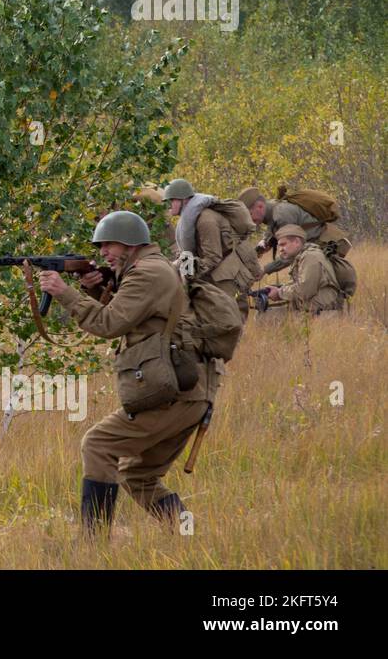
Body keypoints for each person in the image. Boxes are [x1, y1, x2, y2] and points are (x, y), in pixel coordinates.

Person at [38, 210, 212, 534]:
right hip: (187, 393)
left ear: (130, 243)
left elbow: (110, 323)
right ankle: (191, 535)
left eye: (109, 245)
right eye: (100, 246)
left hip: (175, 394)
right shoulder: (149, 269)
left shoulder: (147, 274)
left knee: (98, 445)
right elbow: (131, 315)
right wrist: (98, 287)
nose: (102, 252)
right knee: (139, 476)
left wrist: (66, 293)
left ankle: (95, 545)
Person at [163, 178, 262, 320]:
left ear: (183, 200)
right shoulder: (192, 218)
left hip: (227, 278)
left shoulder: (205, 220)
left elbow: (213, 257)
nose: (168, 205)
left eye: (171, 200)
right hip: (220, 275)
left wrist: (191, 272)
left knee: (230, 321)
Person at [263, 224, 345, 315]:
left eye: (283, 244)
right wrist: (280, 288)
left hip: (323, 314)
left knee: (264, 317)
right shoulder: (301, 256)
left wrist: (279, 293)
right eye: (279, 246)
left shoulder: (310, 257)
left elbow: (304, 291)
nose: (280, 249)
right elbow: (300, 284)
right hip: (312, 310)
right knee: (266, 314)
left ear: (297, 242)